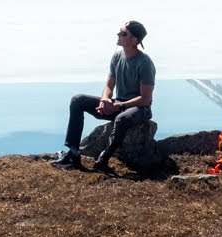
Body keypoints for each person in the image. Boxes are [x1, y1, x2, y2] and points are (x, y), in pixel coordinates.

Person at [53, 20, 155, 173]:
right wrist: (105, 100)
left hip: (140, 109)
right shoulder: (117, 56)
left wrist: (118, 106)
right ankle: (73, 154)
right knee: (77, 100)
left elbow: (145, 99)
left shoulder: (144, 63)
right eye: (120, 31)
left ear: (134, 40)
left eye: (123, 33)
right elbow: (109, 85)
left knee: (121, 119)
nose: (118, 34)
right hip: (118, 104)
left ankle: (103, 160)